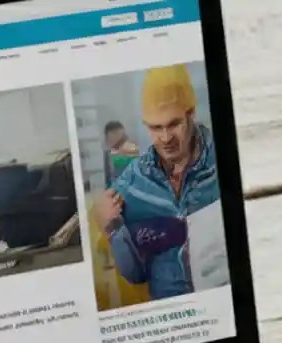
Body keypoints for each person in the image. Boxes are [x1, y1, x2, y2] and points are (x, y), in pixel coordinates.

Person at [92, 65, 220, 300]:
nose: (165, 138)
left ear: (191, 113)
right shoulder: (133, 184)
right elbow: (135, 275)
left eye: (173, 124)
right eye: (155, 127)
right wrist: (112, 228)